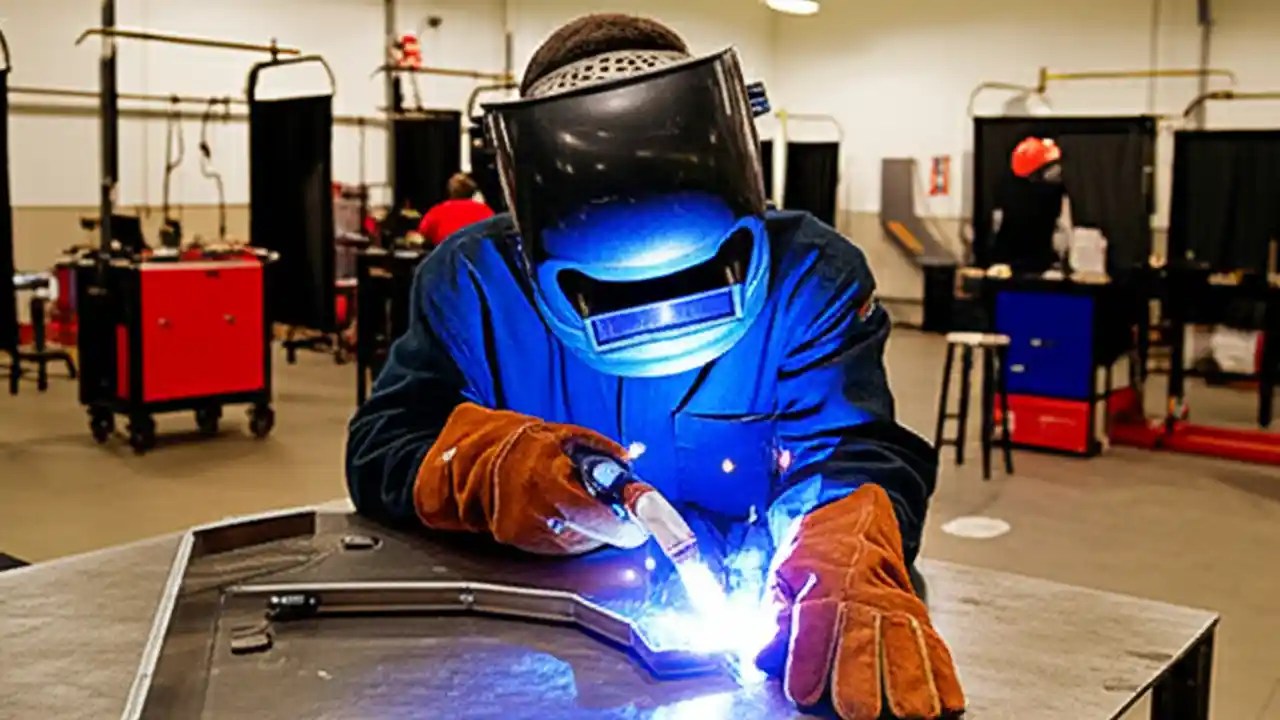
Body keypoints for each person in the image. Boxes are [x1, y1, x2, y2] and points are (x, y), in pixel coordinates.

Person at [346, 13, 963, 720]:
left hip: (762, 633)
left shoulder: (809, 277)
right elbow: (382, 445)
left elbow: (852, 449)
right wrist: (488, 469)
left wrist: (847, 533)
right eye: (615, 296)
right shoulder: (473, 285)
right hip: (541, 647)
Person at [991, 135, 1074, 275]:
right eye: (1051, 166)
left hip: (1012, 264)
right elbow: (1063, 232)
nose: (1058, 170)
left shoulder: (1007, 191)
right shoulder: (1052, 194)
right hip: (1030, 264)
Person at [416, 172, 494, 247]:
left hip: (446, 255)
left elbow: (423, 234)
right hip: (477, 254)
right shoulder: (485, 210)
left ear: (450, 191)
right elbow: (495, 233)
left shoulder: (437, 211)